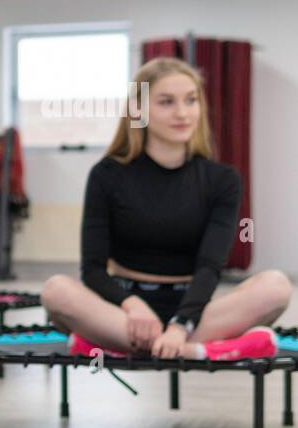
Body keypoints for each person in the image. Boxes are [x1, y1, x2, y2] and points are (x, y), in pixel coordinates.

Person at [41, 57, 290, 360]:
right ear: (139, 109)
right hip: (124, 311)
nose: (182, 113)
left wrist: (180, 325)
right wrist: (131, 304)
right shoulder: (107, 175)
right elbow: (92, 270)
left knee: (276, 286)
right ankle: (198, 351)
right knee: (56, 291)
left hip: (195, 309)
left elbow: (210, 266)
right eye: (166, 102)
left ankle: (129, 347)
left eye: (191, 100)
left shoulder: (223, 179)